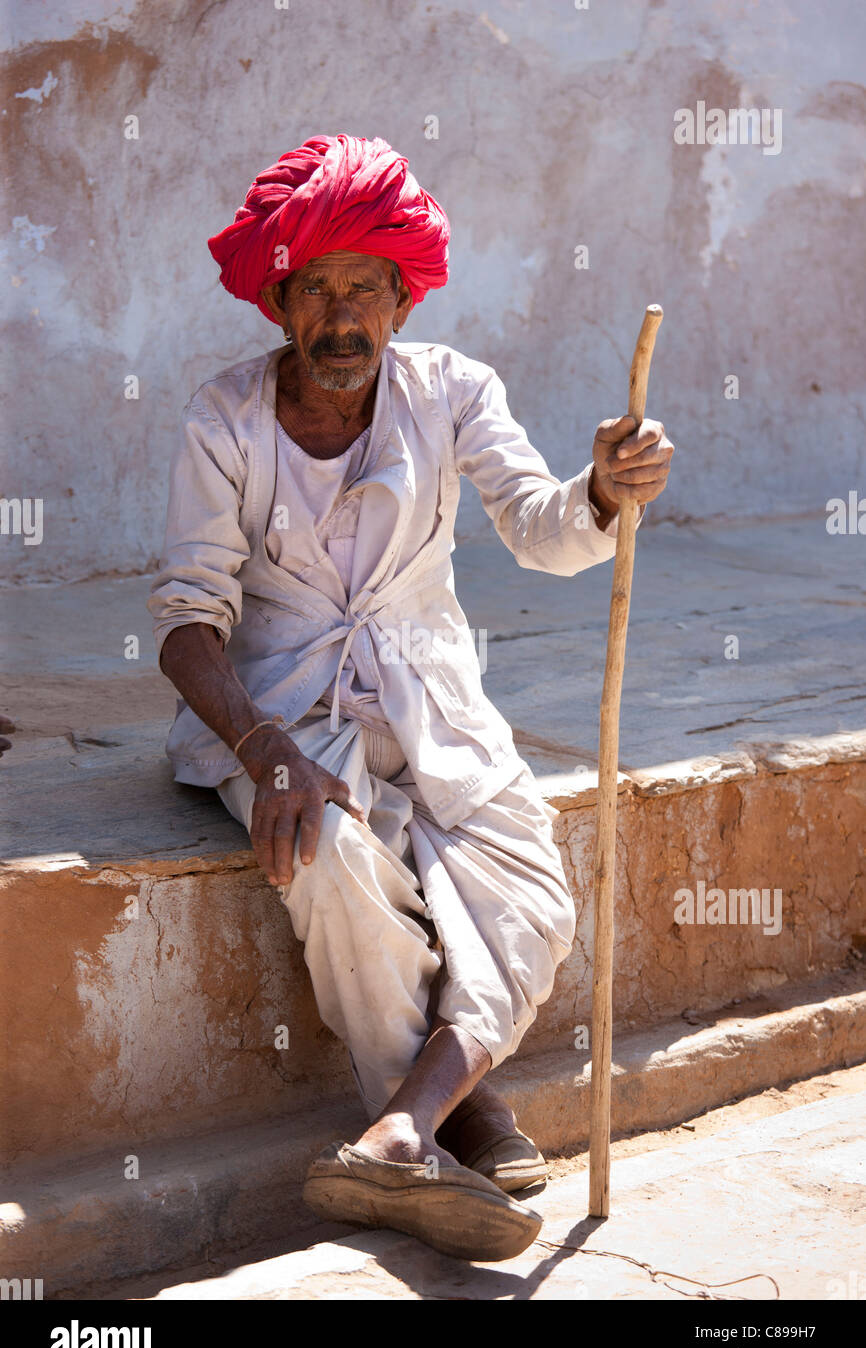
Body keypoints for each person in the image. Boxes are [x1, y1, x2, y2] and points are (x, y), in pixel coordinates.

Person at [148, 133, 673, 1261]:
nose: (342, 318)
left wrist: (597, 487)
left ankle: (396, 1128)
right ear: (279, 301)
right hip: (286, 719)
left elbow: (539, 527)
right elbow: (186, 622)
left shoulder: (451, 391)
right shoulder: (223, 417)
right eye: (318, 291)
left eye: (365, 290)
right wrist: (264, 747)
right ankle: (455, 1111)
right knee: (331, 863)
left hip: (435, 709)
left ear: (400, 296)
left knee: (530, 891)